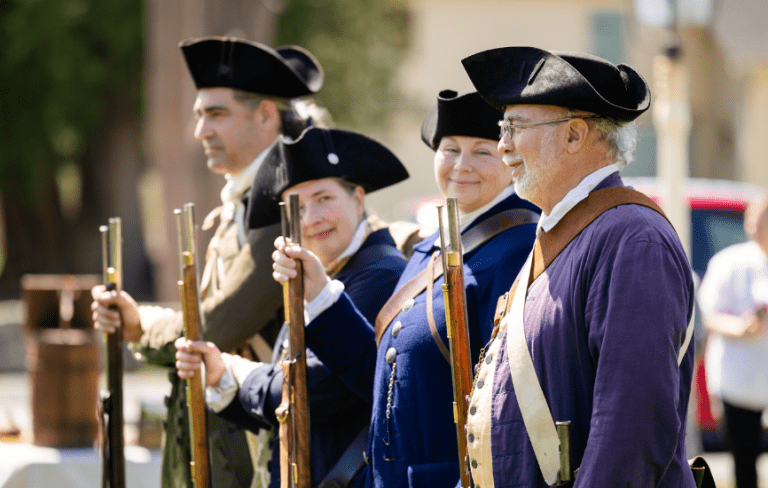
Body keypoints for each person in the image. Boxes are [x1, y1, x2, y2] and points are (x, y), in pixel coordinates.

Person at [272, 90, 540, 488]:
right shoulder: (434, 246)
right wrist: (320, 294)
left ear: (507, 156)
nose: (461, 166)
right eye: (450, 149)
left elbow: (506, 406)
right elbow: (385, 377)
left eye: (481, 152)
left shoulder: (519, 247)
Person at [91, 36, 325, 488]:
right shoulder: (240, 201)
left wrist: (142, 326)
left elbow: (215, 325)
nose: (200, 131)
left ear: (265, 115)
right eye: (199, 115)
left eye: (216, 114)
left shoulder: (280, 207)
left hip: (258, 457)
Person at [460, 47, 696, 487]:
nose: (502, 145)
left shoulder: (632, 238)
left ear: (573, 135)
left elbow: (633, 425)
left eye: (515, 127)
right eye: (502, 128)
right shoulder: (564, 235)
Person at [174, 126, 410, 488]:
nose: (311, 218)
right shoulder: (325, 275)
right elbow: (288, 410)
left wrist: (238, 374)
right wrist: (221, 373)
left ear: (358, 199)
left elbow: (316, 392)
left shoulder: (380, 275)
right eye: (296, 207)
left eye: (324, 198)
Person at [698, 195, 768, 488]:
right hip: (738, 379)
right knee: (744, 460)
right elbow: (708, 314)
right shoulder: (729, 262)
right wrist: (741, 328)